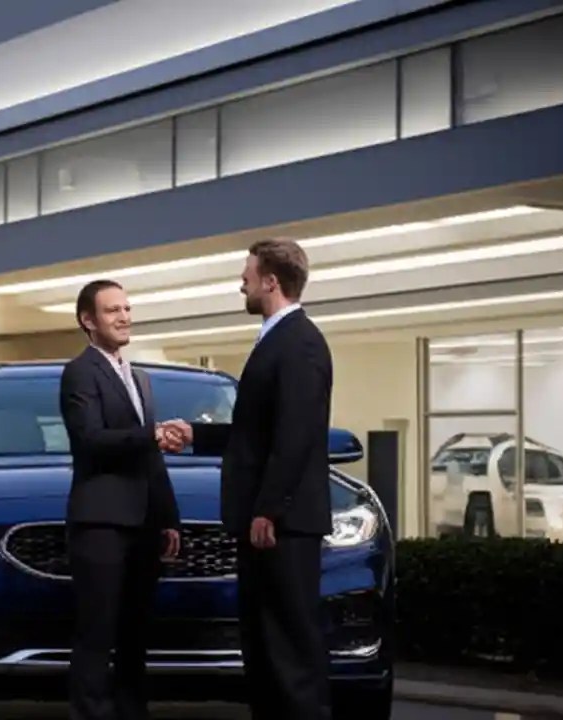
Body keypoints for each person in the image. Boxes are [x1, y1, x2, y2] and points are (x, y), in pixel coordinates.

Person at [210, 238, 335, 719]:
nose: (240, 281)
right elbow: (256, 434)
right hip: (267, 523)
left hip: (281, 525)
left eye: (247, 273)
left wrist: (269, 507)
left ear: (270, 281)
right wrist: (194, 435)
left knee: (289, 655)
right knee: (264, 651)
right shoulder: (277, 340)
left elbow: (296, 433)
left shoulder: (300, 342)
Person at [58, 279, 189, 720]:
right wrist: (149, 433)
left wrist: (168, 517)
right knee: (97, 636)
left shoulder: (140, 378)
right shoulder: (79, 371)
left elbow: (151, 458)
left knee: (135, 637)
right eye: (112, 310)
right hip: (100, 523)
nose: (124, 316)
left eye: (127, 308)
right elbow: (90, 439)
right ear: (88, 320)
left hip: (144, 525)